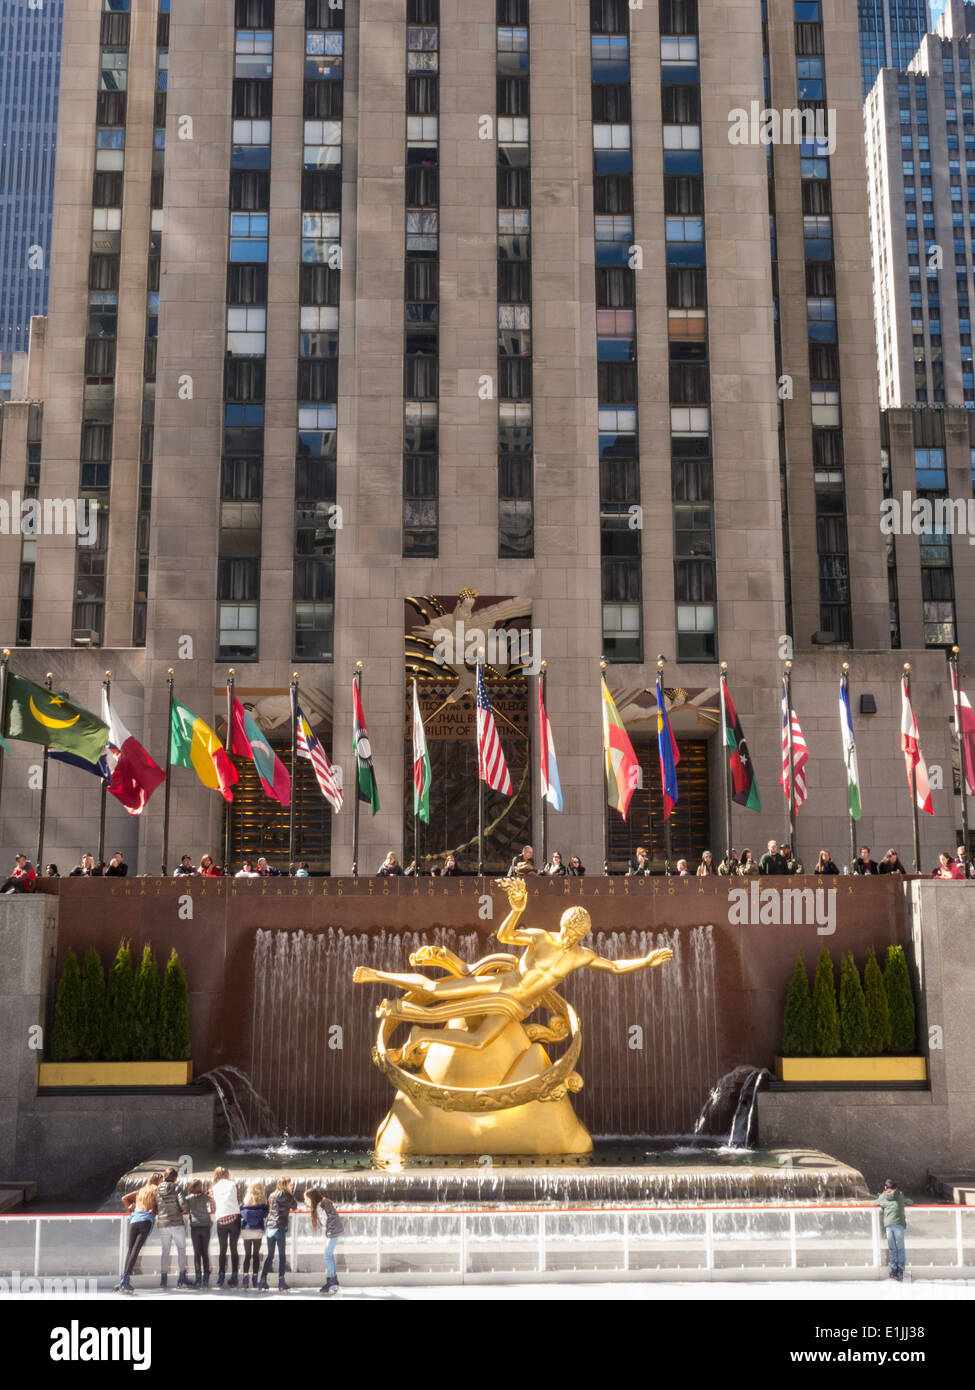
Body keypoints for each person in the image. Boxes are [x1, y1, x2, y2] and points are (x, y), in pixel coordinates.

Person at [114, 1173, 161, 1294]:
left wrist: (130, 1207)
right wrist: (154, 1211)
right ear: (158, 1181)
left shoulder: (141, 1190)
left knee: (130, 1250)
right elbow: (159, 1207)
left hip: (134, 1220)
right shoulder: (156, 1191)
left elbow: (124, 1198)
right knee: (135, 1250)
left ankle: (123, 1279)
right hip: (145, 1221)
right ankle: (125, 1280)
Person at [259, 1177, 298, 1291]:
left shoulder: (272, 1195)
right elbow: (295, 1207)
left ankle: (262, 1280)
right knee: (281, 1256)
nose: (292, 1186)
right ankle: (281, 1282)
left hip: (270, 1228)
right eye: (290, 1184)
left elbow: (268, 1210)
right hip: (280, 1227)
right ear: (286, 1185)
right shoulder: (287, 1195)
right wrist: (291, 1193)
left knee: (270, 1255)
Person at [155, 1166, 190, 1288]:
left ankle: (163, 1279)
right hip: (176, 1223)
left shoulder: (158, 1189)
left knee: (165, 1251)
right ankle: (181, 1278)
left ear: (164, 1176)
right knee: (181, 1249)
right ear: (175, 1177)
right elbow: (183, 1205)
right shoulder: (176, 1188)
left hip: (163, 1223)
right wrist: (186, 1209)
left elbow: (157, 1205)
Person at [306, 1186, 344, 1296]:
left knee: (327, 1255)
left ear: (311, 1198)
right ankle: (333, 1281)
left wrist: (326, 1235)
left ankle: (332, 1281)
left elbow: (326, 1221)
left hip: (333, 1232)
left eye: (306, 1199)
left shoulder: (320, 1206)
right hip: (334, 1231)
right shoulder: (323, 1202)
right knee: (329, 1255)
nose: (305, 1201)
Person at [875, 1178, 914, 1281]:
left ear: (885, 1187)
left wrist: (881, 1197)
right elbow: (910, 1201)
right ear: (895, 1187)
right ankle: (901, 1271)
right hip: (899, 1225)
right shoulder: (900, 1195)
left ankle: (893, 1270)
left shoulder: (883, 1196)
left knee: (892, 1248)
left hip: (889, 1225)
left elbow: (875, 1202)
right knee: (900, 1248)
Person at [212, 1166, 241, 1288]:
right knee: (233, 1248)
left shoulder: (214, 1188)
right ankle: (234, 1275)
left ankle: (221, 1275)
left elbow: (213, 1207)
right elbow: (238, 1200)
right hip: (234, 1218)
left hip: (221, 1219)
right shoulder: (234, 1184)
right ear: (227, 1174)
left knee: (222, 1249)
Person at [184, 1178, 214, 1288]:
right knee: (205, 1252)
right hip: (206, 1226)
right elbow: (211, 1203)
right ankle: (206, 1279)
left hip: (195, 1227)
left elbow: (185, 1208)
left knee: (197, 1254)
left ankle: (198, 1279)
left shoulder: (188, 1198)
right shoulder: (206, 1197)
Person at [240, 1181, 269, 1289]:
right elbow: (266, 1213)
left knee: (247, 1255)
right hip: (257, 1230)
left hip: (246, 1231)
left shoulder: (245, 1203)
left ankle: (245, 1278)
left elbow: (240, 1213)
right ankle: (255, 1278)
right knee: (256, 1255)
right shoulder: (263, 1203)